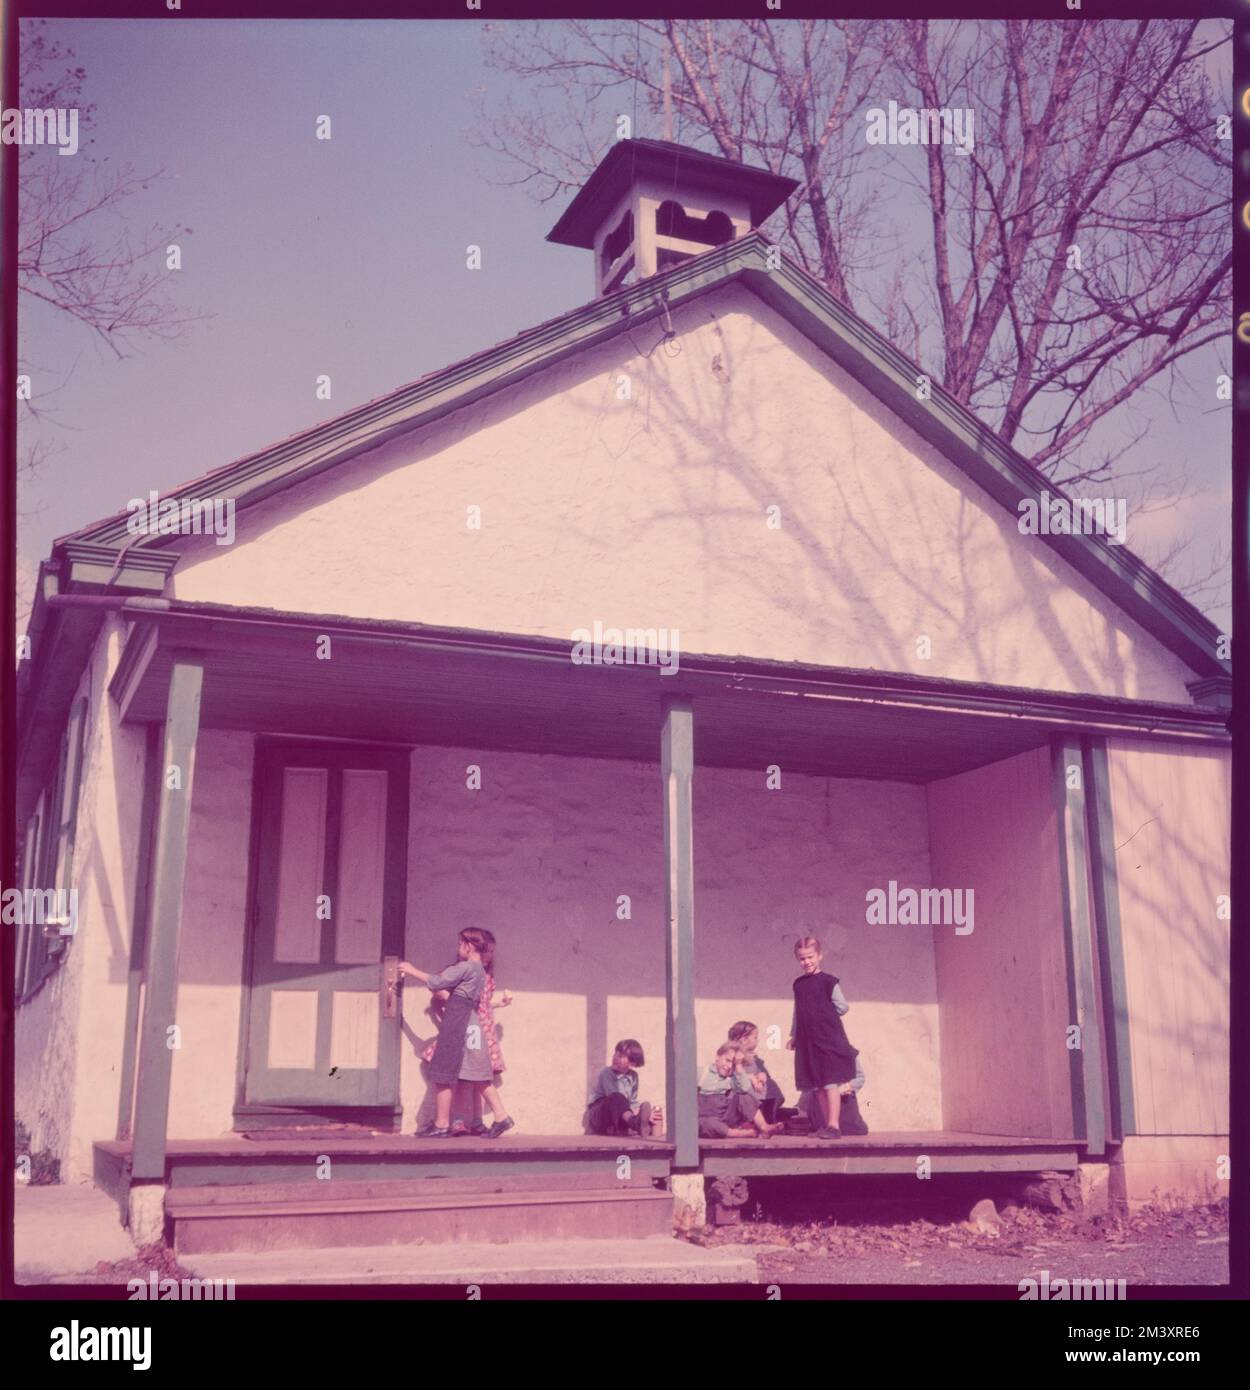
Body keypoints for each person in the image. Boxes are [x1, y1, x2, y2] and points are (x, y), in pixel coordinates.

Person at [421, 929, 516, 1138]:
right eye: (487, 950)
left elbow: (481, 1003)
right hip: (465, 1025)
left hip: (474, 1026)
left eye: (491, 952)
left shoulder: (480, 974)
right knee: (466, 1074)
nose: (489, 955)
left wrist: (499, 1003)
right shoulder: (462, 970)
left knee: (474, 1074)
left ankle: (475, 1120)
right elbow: (438, 987)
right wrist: (449, 998)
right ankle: (457, 1121)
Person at [399, 928, 487, 1137]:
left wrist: (411, 969)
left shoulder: (465, 967)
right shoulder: (480, 970)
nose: (458, 949)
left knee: (443, 1072)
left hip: (456, 1019)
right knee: (447, 1072)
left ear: (469, 945)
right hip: (463, 1016)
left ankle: (441, 1124)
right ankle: (441, 1122)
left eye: (459, 944)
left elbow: (437, 982)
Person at [787, 935, 859, 1140]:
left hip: (828, 1040)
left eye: (810, 957)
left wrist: (823, 1015)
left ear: (819, 956)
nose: (806, 962)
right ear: (797, 959)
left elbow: (843, 1007)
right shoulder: (798, 984)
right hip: (808, 1041)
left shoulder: (828, 982)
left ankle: (834, 1126)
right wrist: (794, 1035)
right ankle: (827, 1125)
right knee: (817, 1085)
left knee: (830, 1082)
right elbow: (797, 1011)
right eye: (802, 958)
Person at [698, 1043, 783, 1138]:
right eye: (727, 1060)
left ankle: (764, 1128)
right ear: (717, 1056)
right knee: (706, 1123)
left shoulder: (733, 1078)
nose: (729, 1066)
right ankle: (737, 1133)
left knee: (743, 1096)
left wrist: (738, 1065)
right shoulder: (702, 1072)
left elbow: (745, 1088)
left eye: (733, 1064)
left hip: (725, 1116)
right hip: (704, 1118)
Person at [585, 1040, 661, 1137]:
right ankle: (634, 1123)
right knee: (617, 1097)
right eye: (616, 1053)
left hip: (620, 1116)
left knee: (647, 1121)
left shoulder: (634, 1076)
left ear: (632, 1063)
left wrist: (647, 1115)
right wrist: (635, 1114)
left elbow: (632, 1101)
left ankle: (635, 1124)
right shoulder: (607, 1073)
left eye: (621, 1056)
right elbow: (614, 1099)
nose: (616, 1057)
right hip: (600, 1115)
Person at [727, 1020, 786, 1124]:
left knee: (771, 1084)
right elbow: (730, 1075)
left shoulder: (754, 1057)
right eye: (755, 1037)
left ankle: (768, 1114)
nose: (757, 1040)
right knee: (746, 1092)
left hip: (757, 1088)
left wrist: (762, 1075)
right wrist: (750, 1077)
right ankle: (754, 1119)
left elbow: (762, 1072)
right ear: (744, 1039)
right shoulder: (732, 1054)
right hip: (740, 1091)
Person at [800, 1055, 869, 1135]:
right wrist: (799, 1109)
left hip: (844, 1108)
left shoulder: (846, 1051)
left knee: (851, 1127)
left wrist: (842, 1089)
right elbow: (809, 1087)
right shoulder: (812, 1053)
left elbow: (860, 1078)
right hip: (819, 1120)